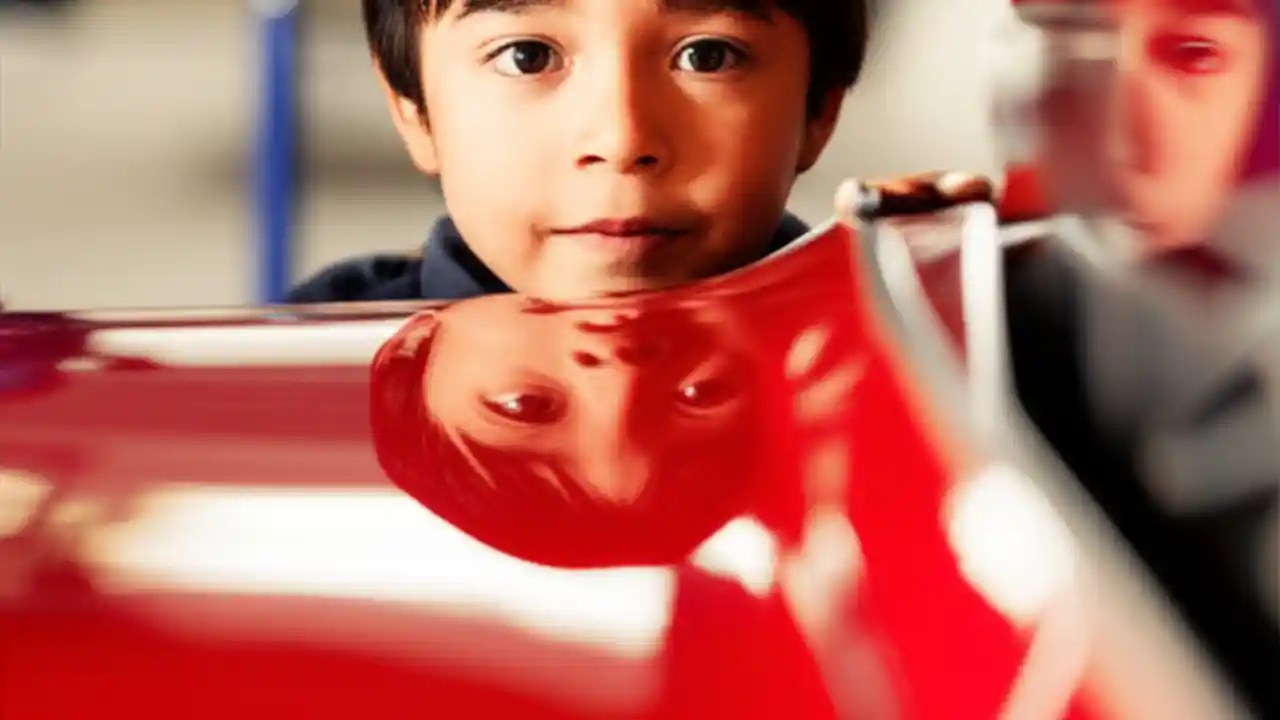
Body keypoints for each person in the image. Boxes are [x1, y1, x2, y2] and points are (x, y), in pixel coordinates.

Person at [288, 0, 867, 303]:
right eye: (527, 57)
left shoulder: (911, 358)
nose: (621, 141)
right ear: (413, 110)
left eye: (708, 56)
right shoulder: (311, 374)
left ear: (820, 111)